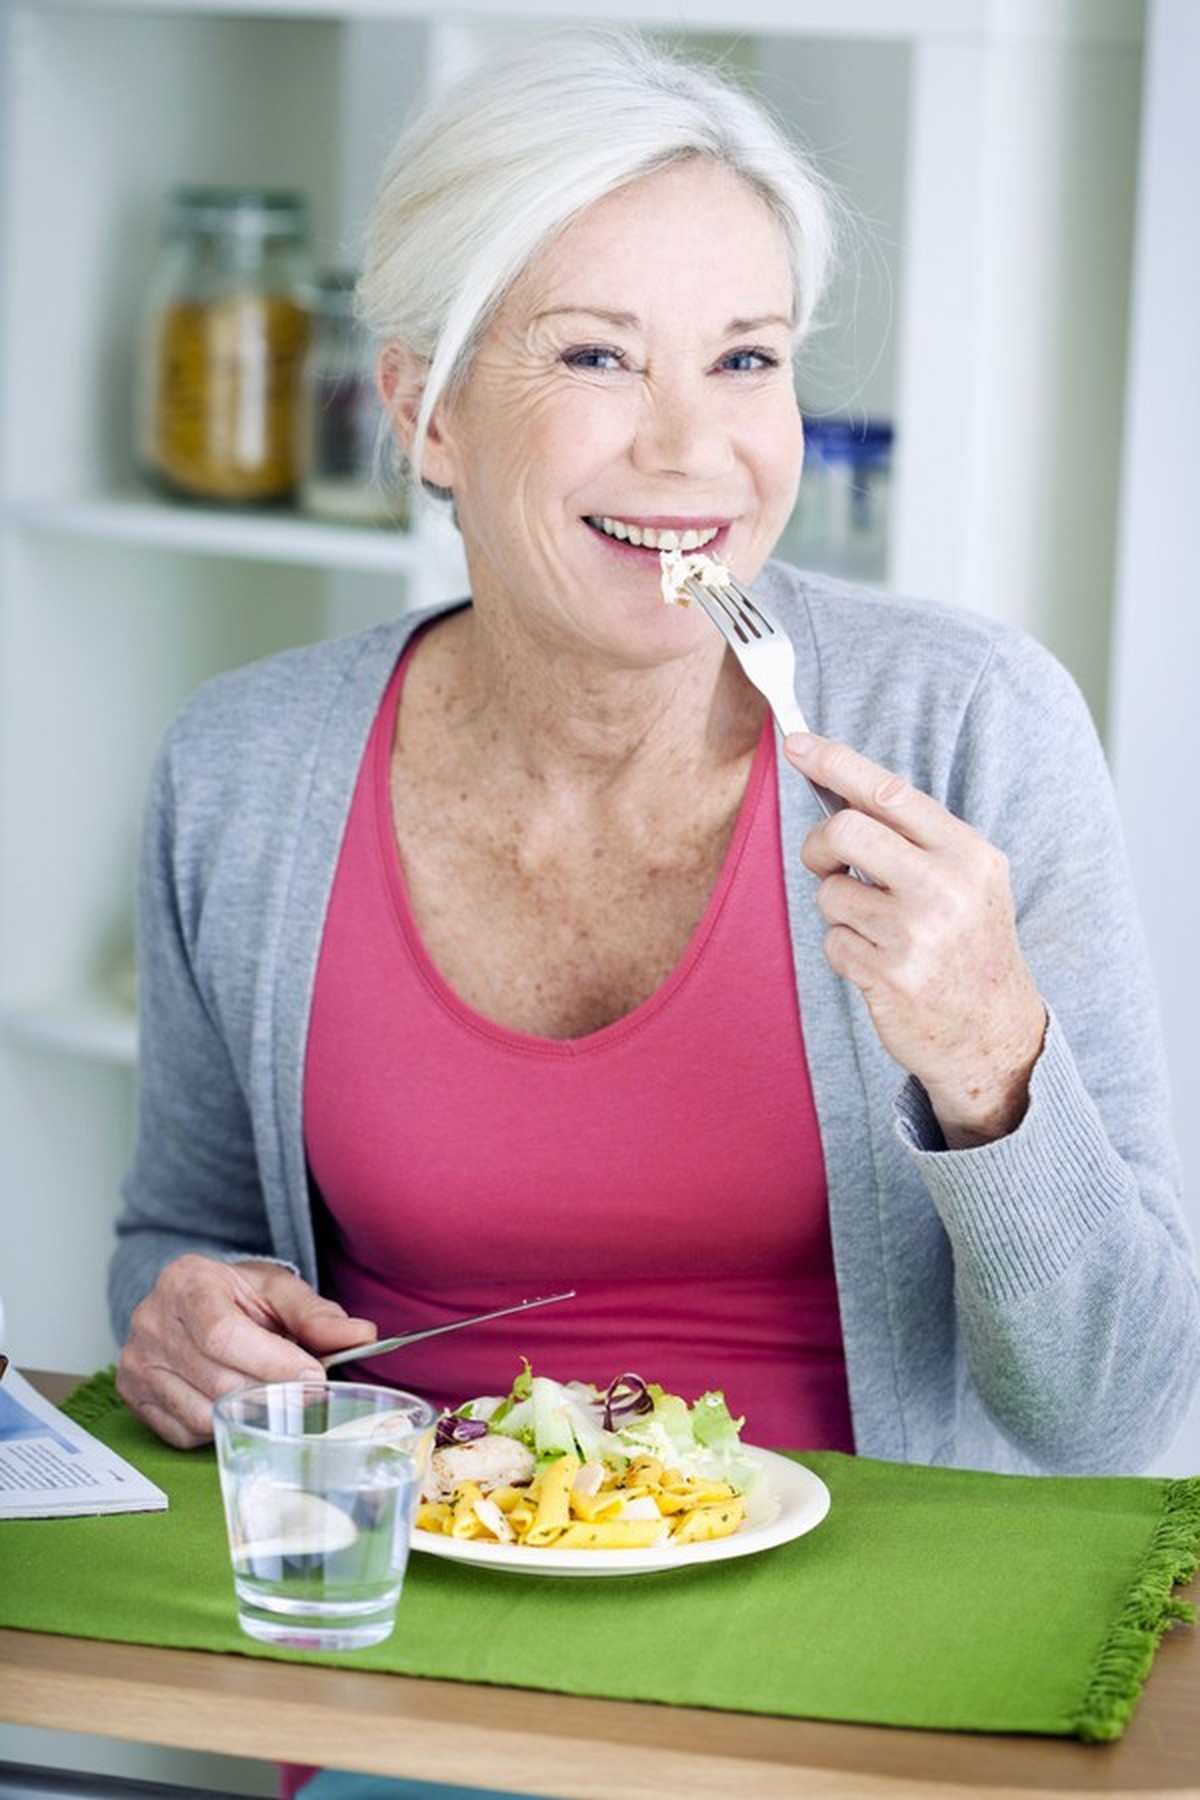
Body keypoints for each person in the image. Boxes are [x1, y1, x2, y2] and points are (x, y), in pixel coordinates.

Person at [111, 26, 1198, 1479]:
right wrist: (180, 1319)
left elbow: (1115, 1412)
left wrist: (993, 1062)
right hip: (405, 1569)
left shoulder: (974, 723)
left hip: (861, 1593)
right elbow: (178, 1241)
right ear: (426, 414)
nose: (692, 449)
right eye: (595, 355)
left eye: (745, 358)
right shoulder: (243, 766)